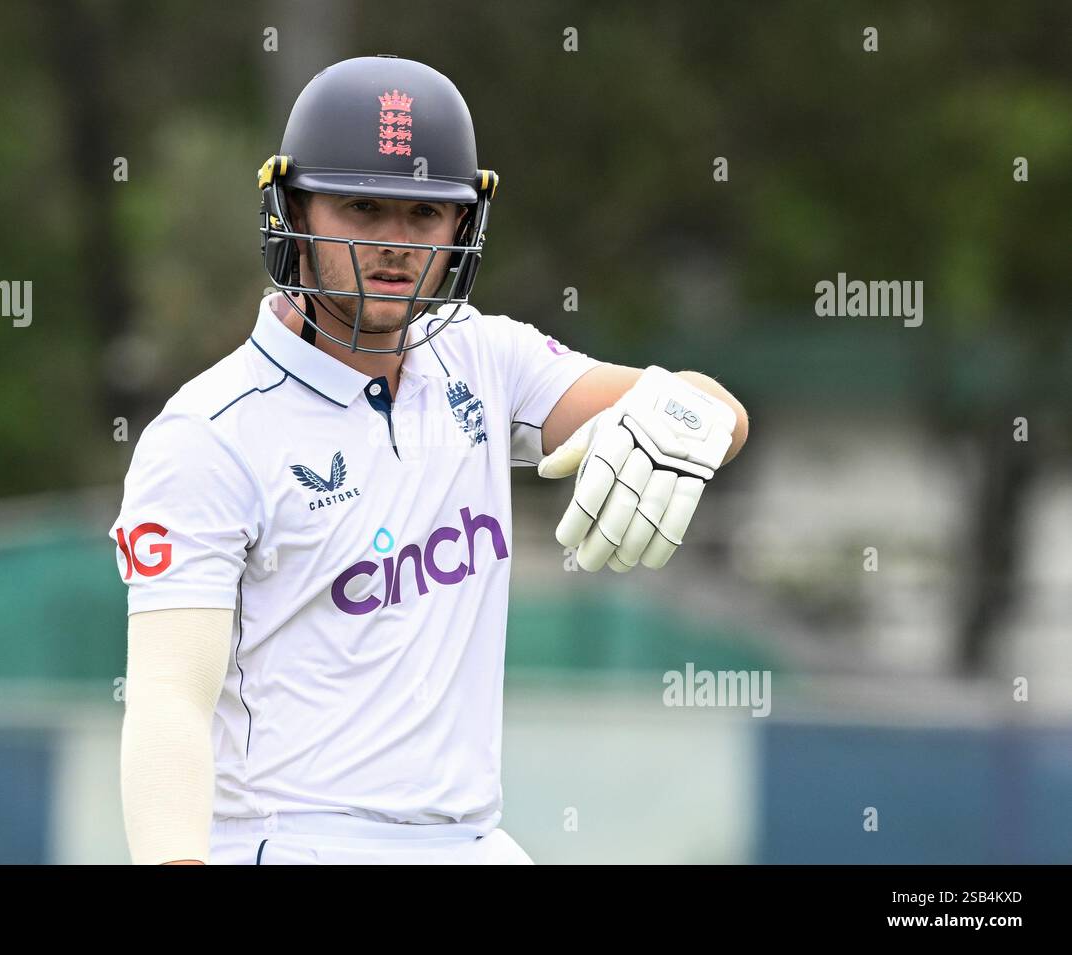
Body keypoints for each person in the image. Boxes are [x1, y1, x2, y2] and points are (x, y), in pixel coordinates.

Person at [110, 55, 749, 865]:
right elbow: (169, 698)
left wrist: (686, 412)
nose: (395, 243)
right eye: (362, 207)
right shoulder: (206, 433)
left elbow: (712, 414)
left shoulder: (484, 357)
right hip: (294, 842)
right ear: (292, 208)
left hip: (473, 843)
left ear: (463, 223)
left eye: (425, 212)